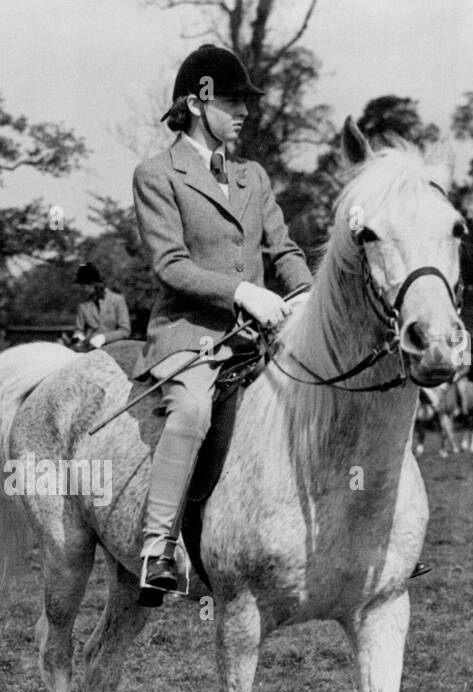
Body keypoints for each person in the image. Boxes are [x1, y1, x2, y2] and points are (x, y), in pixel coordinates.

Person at [132, 44, 312, 603]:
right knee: (190, 411)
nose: (245, 112)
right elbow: (171, 266)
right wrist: (241, 291)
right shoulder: (157, 174)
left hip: (261, 335)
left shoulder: (252, 176)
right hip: (192, 334)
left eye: (246, 102)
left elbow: (282, 248)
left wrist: (305, 294)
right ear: (195, 102)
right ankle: (158, 545)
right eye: (233, 101)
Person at [73, 262, 132, 350]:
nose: (83, 288)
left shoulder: (118, 300)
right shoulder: (83, 305)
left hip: (116, 349)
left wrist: (104, 338)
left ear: (93, 284)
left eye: (84, 285)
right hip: (91, 350)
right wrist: (79, 336)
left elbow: (125, 331)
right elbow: (79, 329)